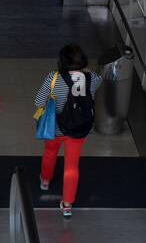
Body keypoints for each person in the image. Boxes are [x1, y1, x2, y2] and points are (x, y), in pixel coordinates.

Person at [34, 43, 102, 217]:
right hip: (79, 128)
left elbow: (39, 101)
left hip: (56, 127)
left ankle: (45, 180)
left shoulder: (53, 77)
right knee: (72, 165)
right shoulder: (92, 78)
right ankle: (67, 204)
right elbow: (98, 82)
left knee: (50, 151)